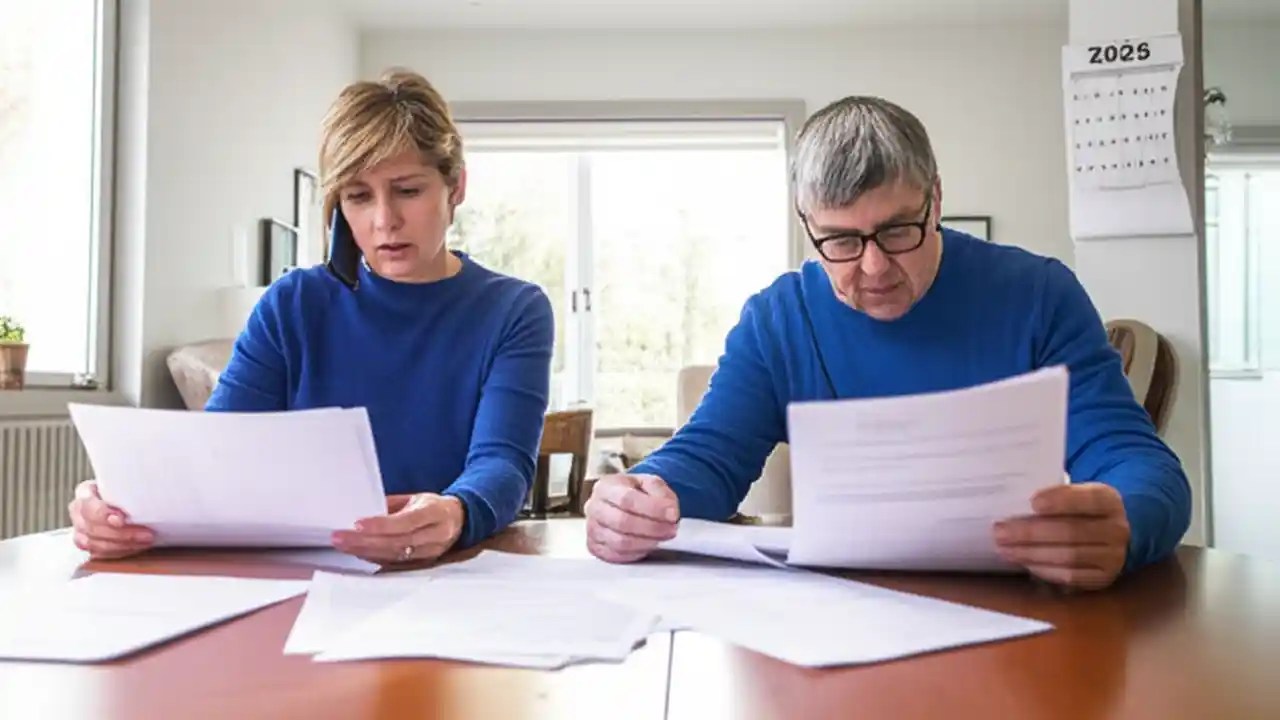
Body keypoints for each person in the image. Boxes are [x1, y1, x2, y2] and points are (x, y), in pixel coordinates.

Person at [584, 96, 1190, 590]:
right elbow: (708, 460)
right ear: (806, 225)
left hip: (1016, 618)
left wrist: (1125, 524)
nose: (873, 267)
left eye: (898, 230)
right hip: (839, 620)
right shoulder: (778, 320)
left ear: (937, 199)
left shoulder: (1038, 295)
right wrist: (637, 498)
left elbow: (1136, 462)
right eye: (840, 241)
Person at [67, 69, 554, 565]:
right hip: (306, 575)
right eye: (359, 197)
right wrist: (109, 503)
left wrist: (457, 511)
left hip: (449, 570)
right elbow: (215, 455)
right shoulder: (292, 305)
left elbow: (502, 462)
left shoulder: (514, 310)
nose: (384, 220)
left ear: (456, 187)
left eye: (407, 190)